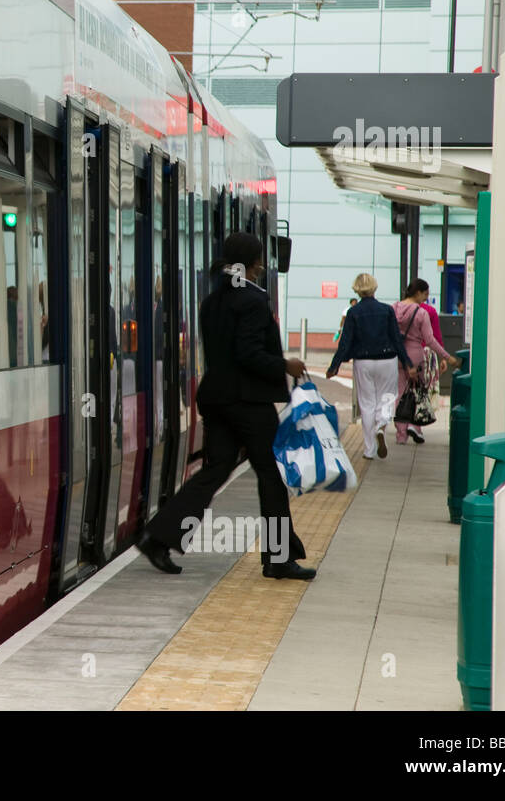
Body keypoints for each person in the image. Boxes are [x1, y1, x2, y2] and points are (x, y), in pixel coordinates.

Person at [136, 233, 314, 581]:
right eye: (260, 260)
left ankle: (158, 537)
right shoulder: (252, 300)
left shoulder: (213, 300)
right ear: (253, 263)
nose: (262, 266)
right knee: (272, 477)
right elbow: (248, 353)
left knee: (215, 470)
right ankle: (279, 558)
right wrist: (284, 365)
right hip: (247, 403)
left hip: (217, 399)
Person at [326, 274, 412, 460]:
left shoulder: (353, 312)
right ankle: (381, 426)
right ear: (374, 288)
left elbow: (345, 341)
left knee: (367, 404)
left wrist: (335, 366)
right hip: (387, 359)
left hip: (363, 361)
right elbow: (397, 339)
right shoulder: (387, 310)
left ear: (357, 289)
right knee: (388, 397)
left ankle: (369, 450)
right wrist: (407, 363)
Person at [394, 279, 460, 444]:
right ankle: (415, 427)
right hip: (416, 355)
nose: (426, 298)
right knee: (419, 392)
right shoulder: (421, 313)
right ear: (418, 293)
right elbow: (430, 340)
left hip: (398, 356)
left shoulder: (394, 308)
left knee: (400, 393)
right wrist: (447, 357)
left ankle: (401, 434)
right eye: (425, 294)